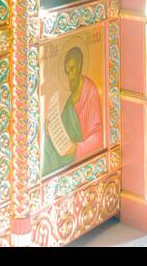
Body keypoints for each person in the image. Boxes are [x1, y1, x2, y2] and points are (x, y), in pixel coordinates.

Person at [42, 47, 104, 175]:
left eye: (72, 69)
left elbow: (99, 137)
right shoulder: (71, 100)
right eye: (67, 72)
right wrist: (50, 131)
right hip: (68, 155)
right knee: (45, 147)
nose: (70, 75)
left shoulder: (90, 92)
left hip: (80, 155)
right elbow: (64, 132)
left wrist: (77, 148)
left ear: (80, 65)